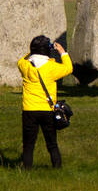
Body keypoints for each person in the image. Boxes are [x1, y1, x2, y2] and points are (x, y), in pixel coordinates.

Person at [17, 35, 71, 170]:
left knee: (28, 145)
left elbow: (21, 60)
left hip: (29, 109)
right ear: (47, 50)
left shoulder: (25, 66)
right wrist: (62, 52)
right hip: (47, 109)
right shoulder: (52, 67)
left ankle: (27, 169)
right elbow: (69, 68)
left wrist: (33, 50)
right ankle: (57, 168)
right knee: (52, 143)